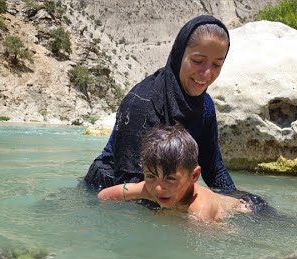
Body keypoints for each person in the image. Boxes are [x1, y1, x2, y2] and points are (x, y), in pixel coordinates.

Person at [84, 16, 236, 194]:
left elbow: (214, 169)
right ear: (180, 55)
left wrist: (237, 201)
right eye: (197, 61)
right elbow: (130, 184)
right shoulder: (141, 103)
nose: (206, 73)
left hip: (164, 190)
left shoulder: (205, 106)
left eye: (217, 64)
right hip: (107, 190)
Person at [97, 125, 256, 222]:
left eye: (170, 179)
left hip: (248, 207)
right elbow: (105, 195)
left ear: (194, 176)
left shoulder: (200, 210)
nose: (159, 188)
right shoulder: (149, 188)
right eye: (151, 176)